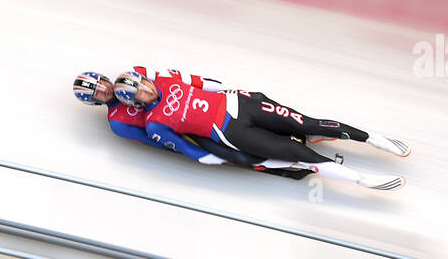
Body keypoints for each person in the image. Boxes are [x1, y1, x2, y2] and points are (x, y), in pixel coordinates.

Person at [112, 67, 409, 191]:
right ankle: (361, 180)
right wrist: (215, 158)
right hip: (230, 133)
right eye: (138, 93)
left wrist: (239, 91)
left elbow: (204, 83)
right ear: (134, 101)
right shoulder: (154, 123)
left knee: (306, 123)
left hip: (240, 104)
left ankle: (373, 139)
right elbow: (187, 148)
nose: (146, 90)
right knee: (296, 152)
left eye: (143, 84)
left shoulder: (166, 78)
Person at [72, 69, 312, 179]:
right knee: (236, 154)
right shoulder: (117, 123)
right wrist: (181, 145)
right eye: (100, 94)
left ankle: (296, 128)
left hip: (197, 107)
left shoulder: (132, 76)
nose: (106, 90)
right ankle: (285, 168)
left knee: (254, 105)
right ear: (96, 102)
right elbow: (151, 139)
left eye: (103, 85)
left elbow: (168, 83)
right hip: (182, 131)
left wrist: (210, 87)